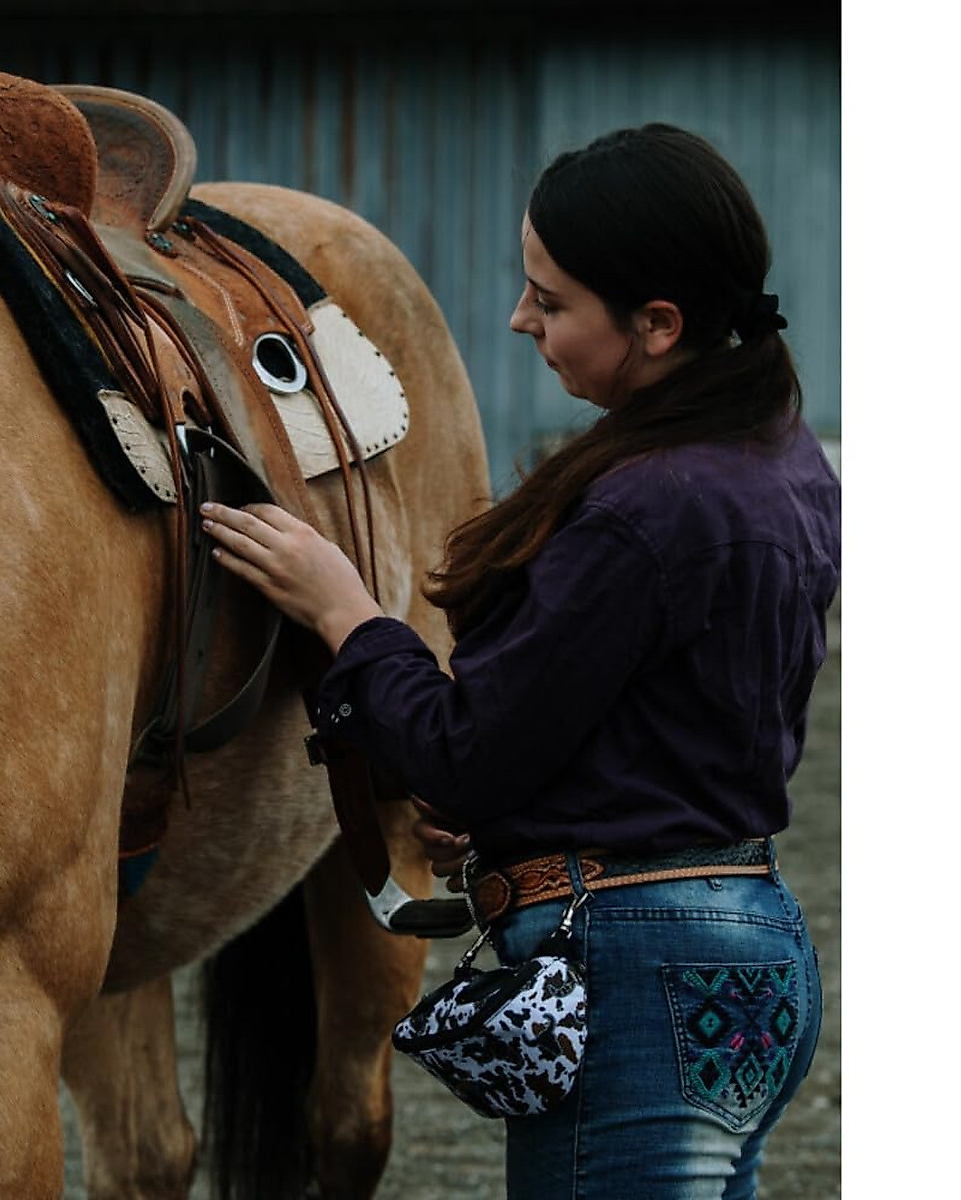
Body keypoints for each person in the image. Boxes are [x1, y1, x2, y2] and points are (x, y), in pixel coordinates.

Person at [199, 123, 840, 1198]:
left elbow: (459, 757)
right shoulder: (780, 458)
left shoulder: (643, 506)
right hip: (752, 942)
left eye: (551, 299)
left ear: (657, 324)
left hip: (639, 975)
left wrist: (347, 609)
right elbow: (677, 720)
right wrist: (534, 813)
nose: (519, 317)